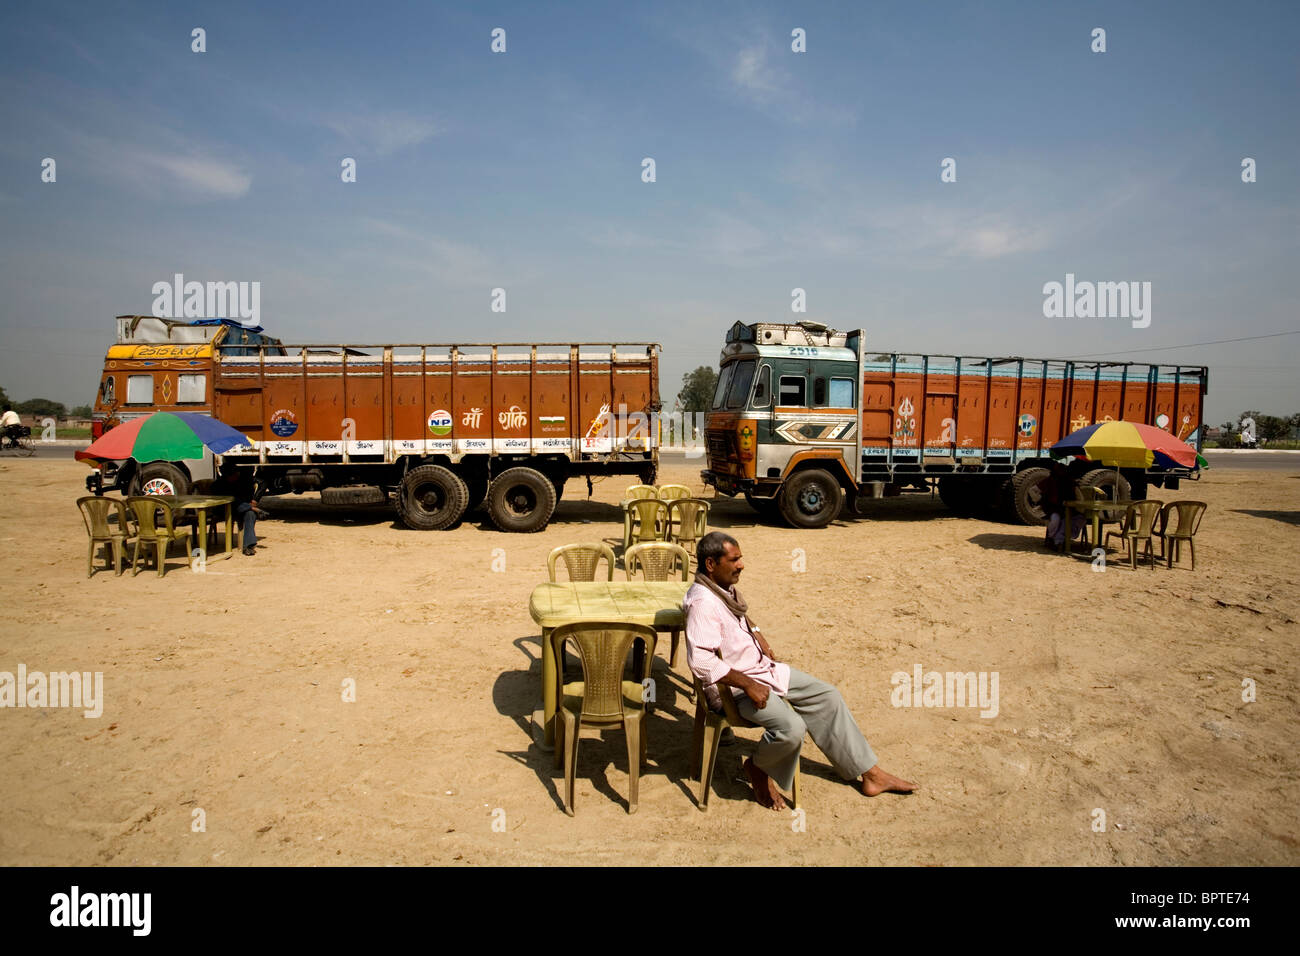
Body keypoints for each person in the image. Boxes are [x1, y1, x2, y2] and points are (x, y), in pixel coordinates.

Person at [684, 531, 917, 809]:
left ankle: (871, 774)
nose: (741, 565)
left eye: (741, 558)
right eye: (734, 559)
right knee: (792, 728)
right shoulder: (702, 602)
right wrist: (747, 684)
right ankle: (758, 768)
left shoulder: (720, 587)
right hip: (734, 689)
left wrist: (756, 632)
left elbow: (737, 616)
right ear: (711, 564)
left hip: (761, 670)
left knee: (827, 696)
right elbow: (700, 660)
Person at [210, 461, 267, 556]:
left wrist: (255, 500)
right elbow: (230, 500)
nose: (235, 476)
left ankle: (248, 546)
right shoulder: (217, 485)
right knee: (236, 503)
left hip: (241, 509)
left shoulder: (243, 481)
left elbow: (263, 482)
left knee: (250, 514)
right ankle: (254, 510)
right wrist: (252, 507)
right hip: (223, 510)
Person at [1036, 462, 1084, 550]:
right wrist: (1039, 500)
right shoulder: (1050, 480)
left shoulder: (1071, 482)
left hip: (1070, 510)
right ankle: (1053, 539)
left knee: (1077, 520)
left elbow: (1079, 498)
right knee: (1055, 519)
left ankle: (1060, 540)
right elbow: (1034, 491)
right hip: (1054, 509)